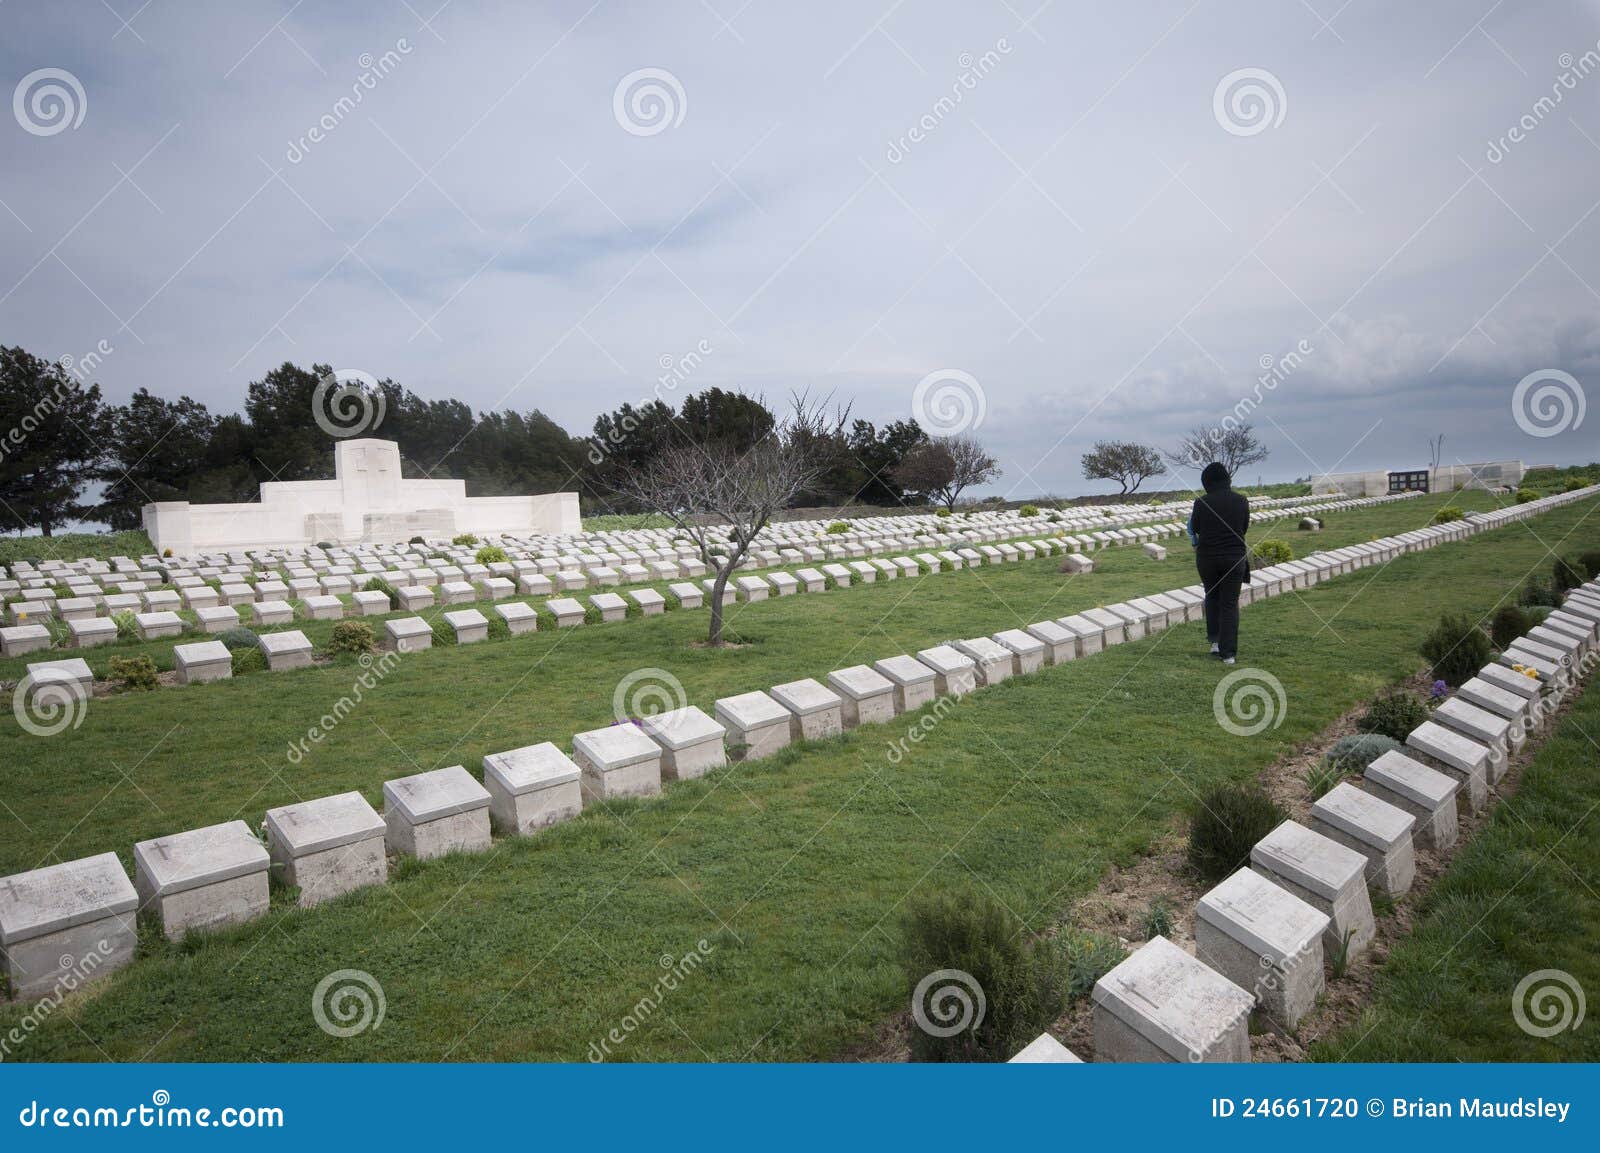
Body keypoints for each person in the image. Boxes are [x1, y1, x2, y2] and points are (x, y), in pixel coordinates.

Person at [1187, 462, 1250, 663]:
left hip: (1208, 558)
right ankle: (1228, 654)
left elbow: (1195, 526)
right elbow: (1244, 527)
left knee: (1212, 596)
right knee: (1229, 603)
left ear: (1207, 482)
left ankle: (1215, 642)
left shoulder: (1201, 502)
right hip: (1234, 556)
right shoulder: (1241, 501)